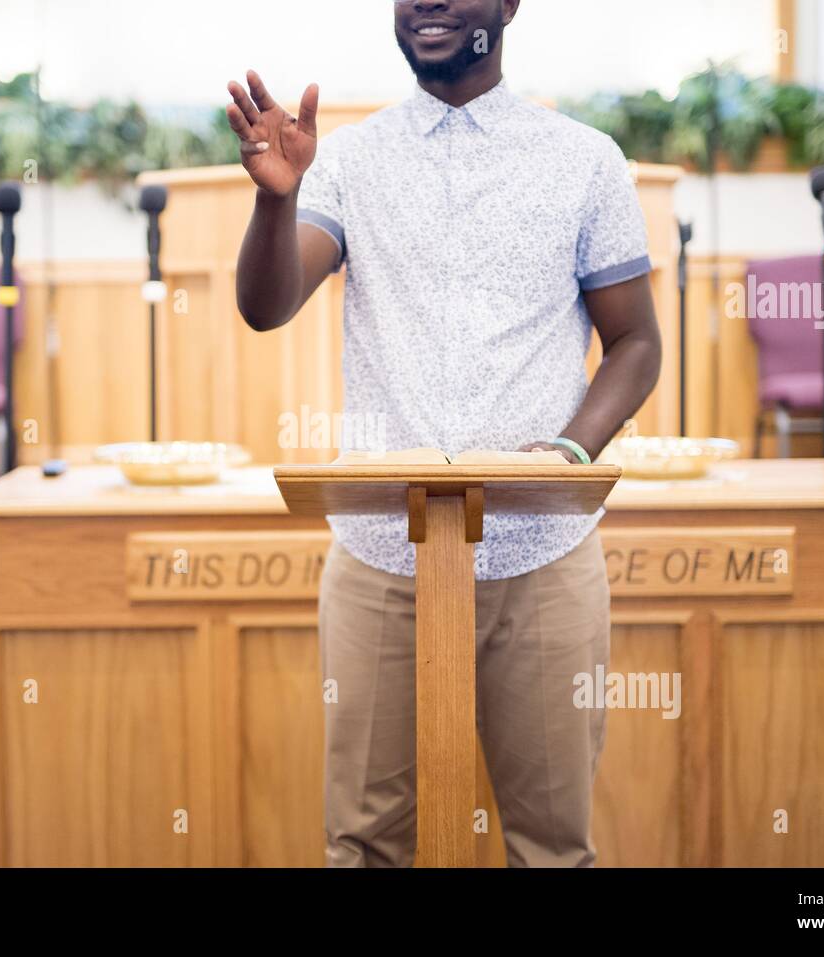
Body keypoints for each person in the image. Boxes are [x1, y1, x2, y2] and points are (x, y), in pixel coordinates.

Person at [227, 0, 660, 867]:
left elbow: (637, 344)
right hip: (384, 551)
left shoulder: (583, 161)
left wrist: (571, 453)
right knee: (364, 845)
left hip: (540, 548)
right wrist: (277, 205)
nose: (422, 1)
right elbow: (266, 307)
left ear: (506, 6)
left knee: (551, 849)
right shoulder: (347, 160)